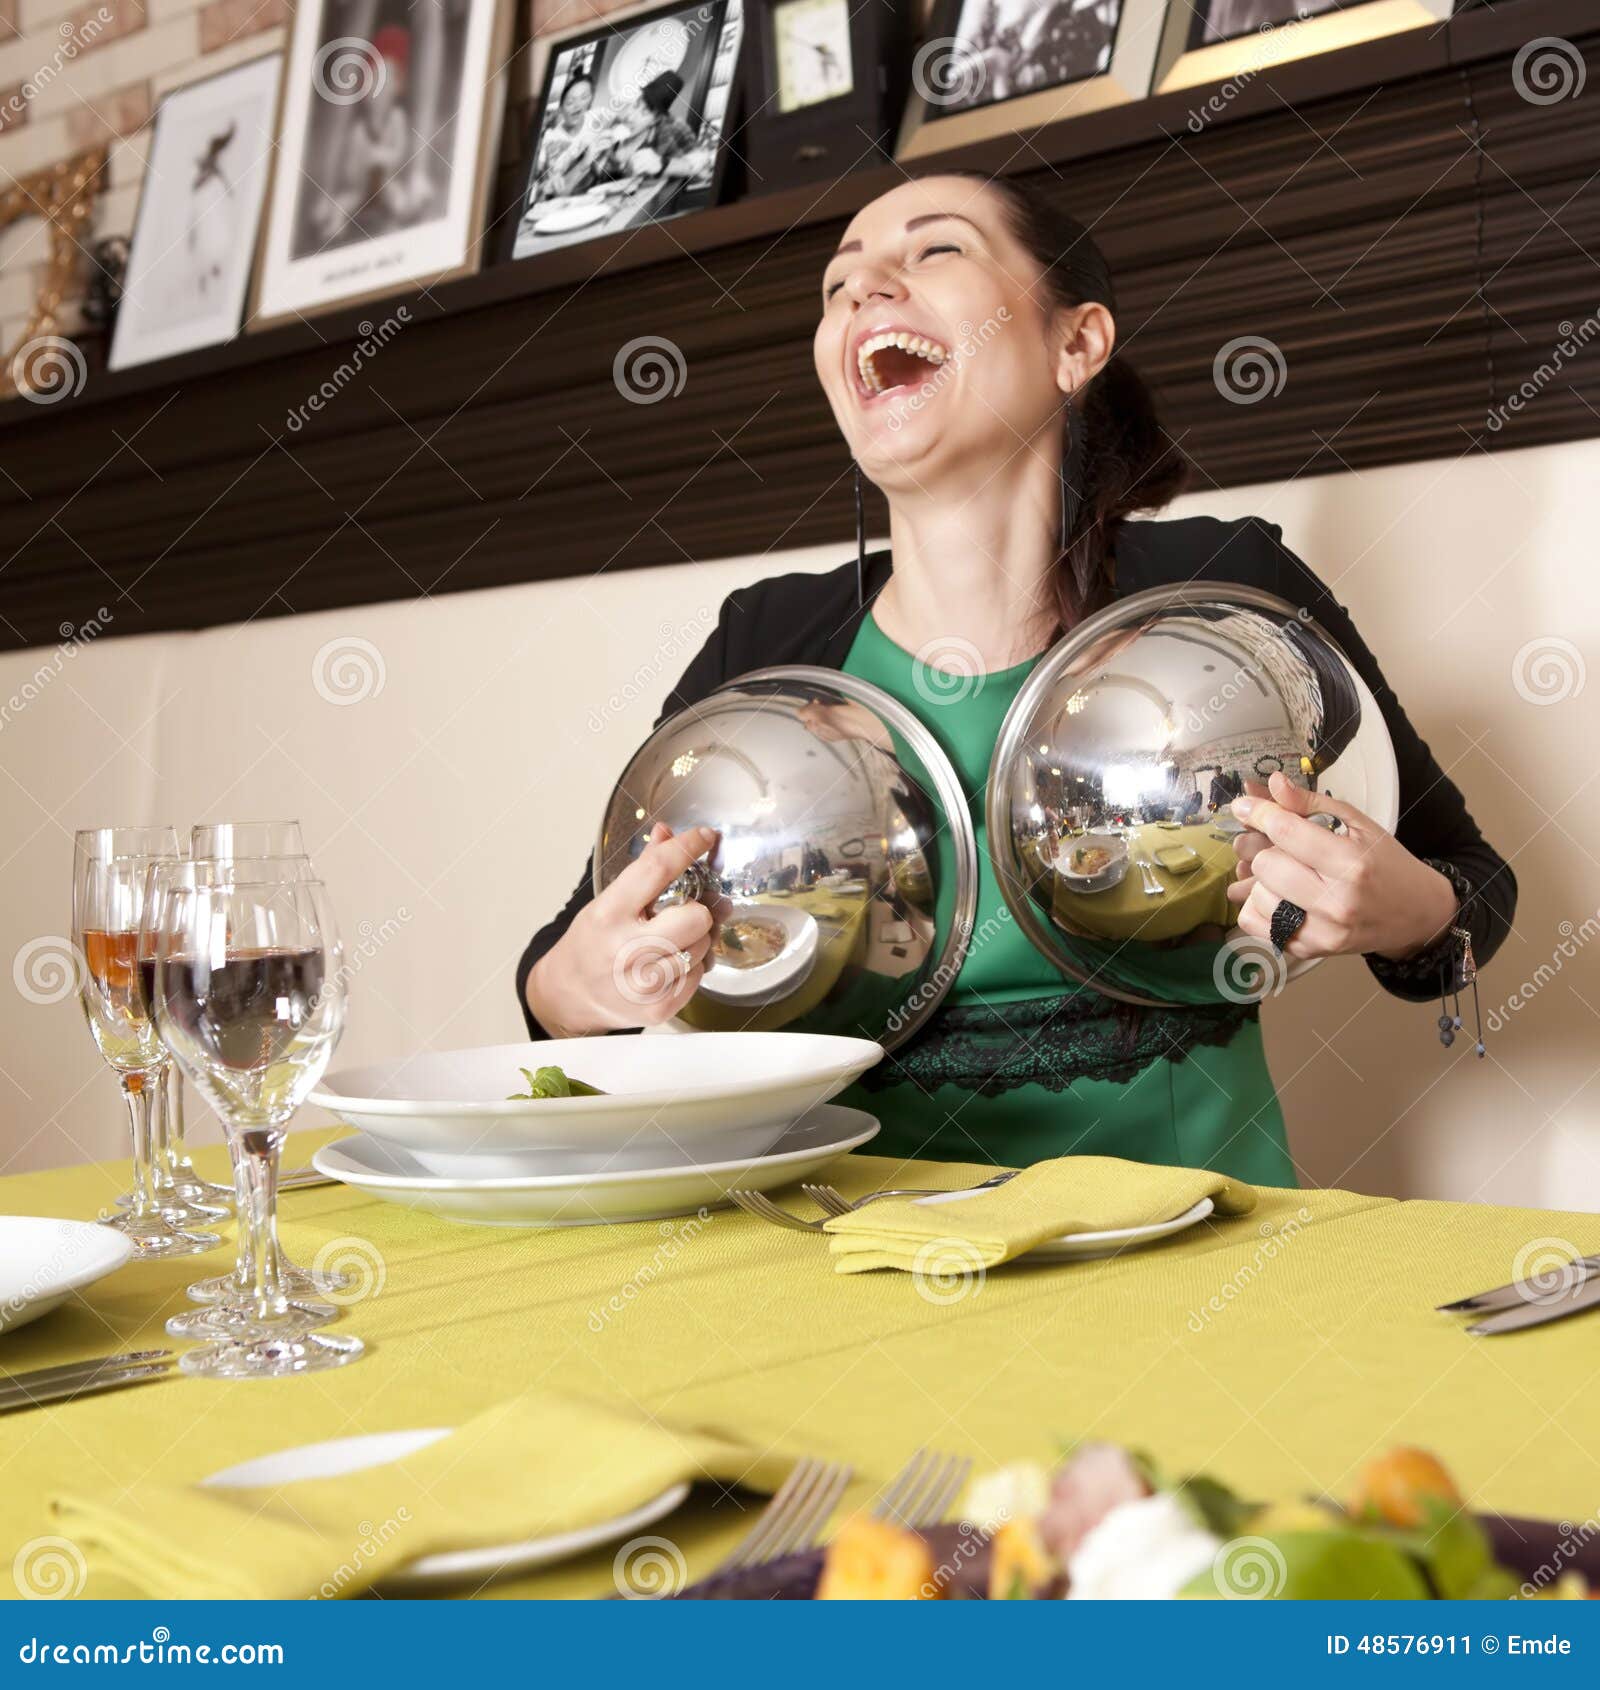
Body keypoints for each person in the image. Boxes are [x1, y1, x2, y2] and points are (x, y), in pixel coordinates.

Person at [515, 169, 1516, 1186]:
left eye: (933, 250)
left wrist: (1408, 913)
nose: (863, 290)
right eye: (836, 285)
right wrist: (585, 986)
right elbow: (561, 982)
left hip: (1199, 1262)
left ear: (1075, 343)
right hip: (852, 1261)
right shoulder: (769, 638)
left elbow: (1473, 889)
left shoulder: (1227, 592)